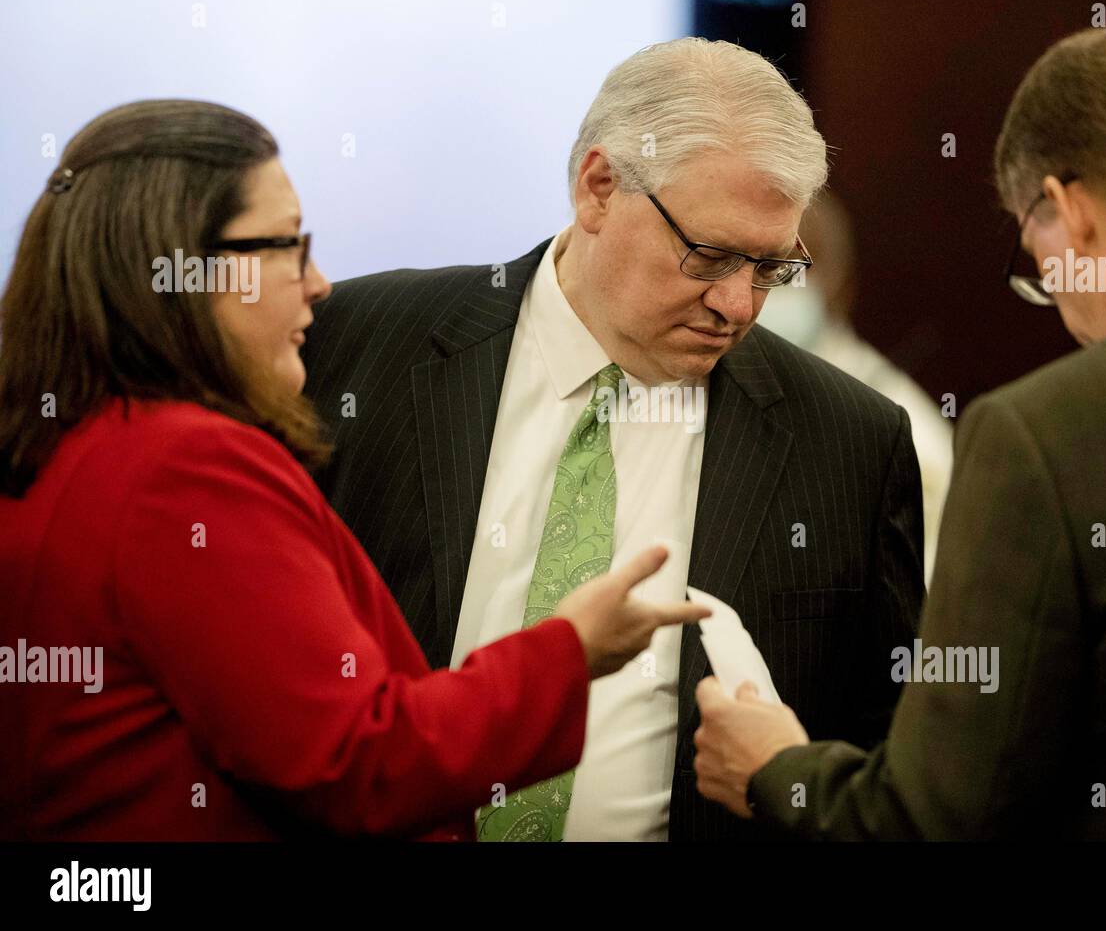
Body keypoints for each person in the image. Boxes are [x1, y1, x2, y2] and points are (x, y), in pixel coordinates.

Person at [0, 99, 706, 841]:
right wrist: (566, 652)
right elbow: (357, 763)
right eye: (286, 248)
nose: (318, 284)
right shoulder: (186, 470)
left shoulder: (64, 445)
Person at [693, 12, 1106, 839]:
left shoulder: (1044, 435)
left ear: (1067, 209)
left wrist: (775, 768)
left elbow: (932, 819)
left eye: (1033, 255)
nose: (1056, 300)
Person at [302, 37, 925, 841]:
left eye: (770, 268)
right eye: (708, 255)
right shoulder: (358, 350)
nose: (737, 305)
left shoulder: (848, 442)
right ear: (598, 187)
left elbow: (879, 757)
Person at [758, 189, 952, 583]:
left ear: (834, 276)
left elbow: (931, 593)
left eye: (790, 272)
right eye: (760, 270)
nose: (771, 291)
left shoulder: (904, 425)